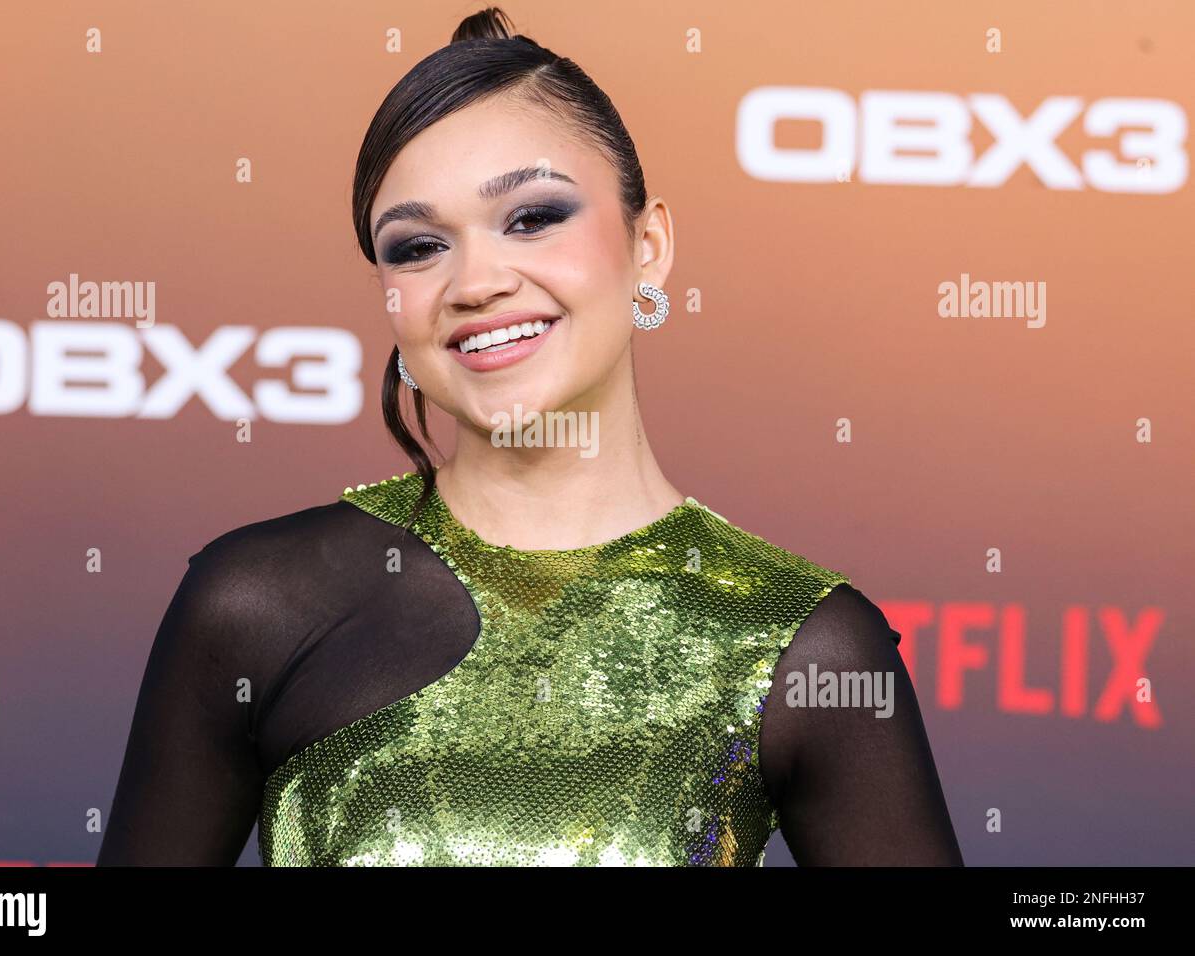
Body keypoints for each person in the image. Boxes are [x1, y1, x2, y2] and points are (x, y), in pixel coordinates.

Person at [97, 7, 963, 867]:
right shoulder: (256, 604)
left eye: (532, 217)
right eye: (419, 246)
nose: (475, 282)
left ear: (649, 244)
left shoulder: (800, 644)